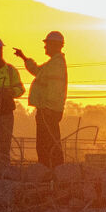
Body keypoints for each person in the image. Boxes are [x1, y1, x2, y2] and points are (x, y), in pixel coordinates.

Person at [15, 30, 68, 168]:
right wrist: (24, 58)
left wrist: (48, 108)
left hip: (48, 111)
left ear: (55, 45)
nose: (45, 46)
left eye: (47, 44)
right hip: (47, 110)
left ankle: (51, 169)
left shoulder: (56, 65)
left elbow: (55, 89)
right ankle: (50, 169)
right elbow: (37, 71)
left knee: (47, 143)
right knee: (46, 142)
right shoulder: (53, 63)